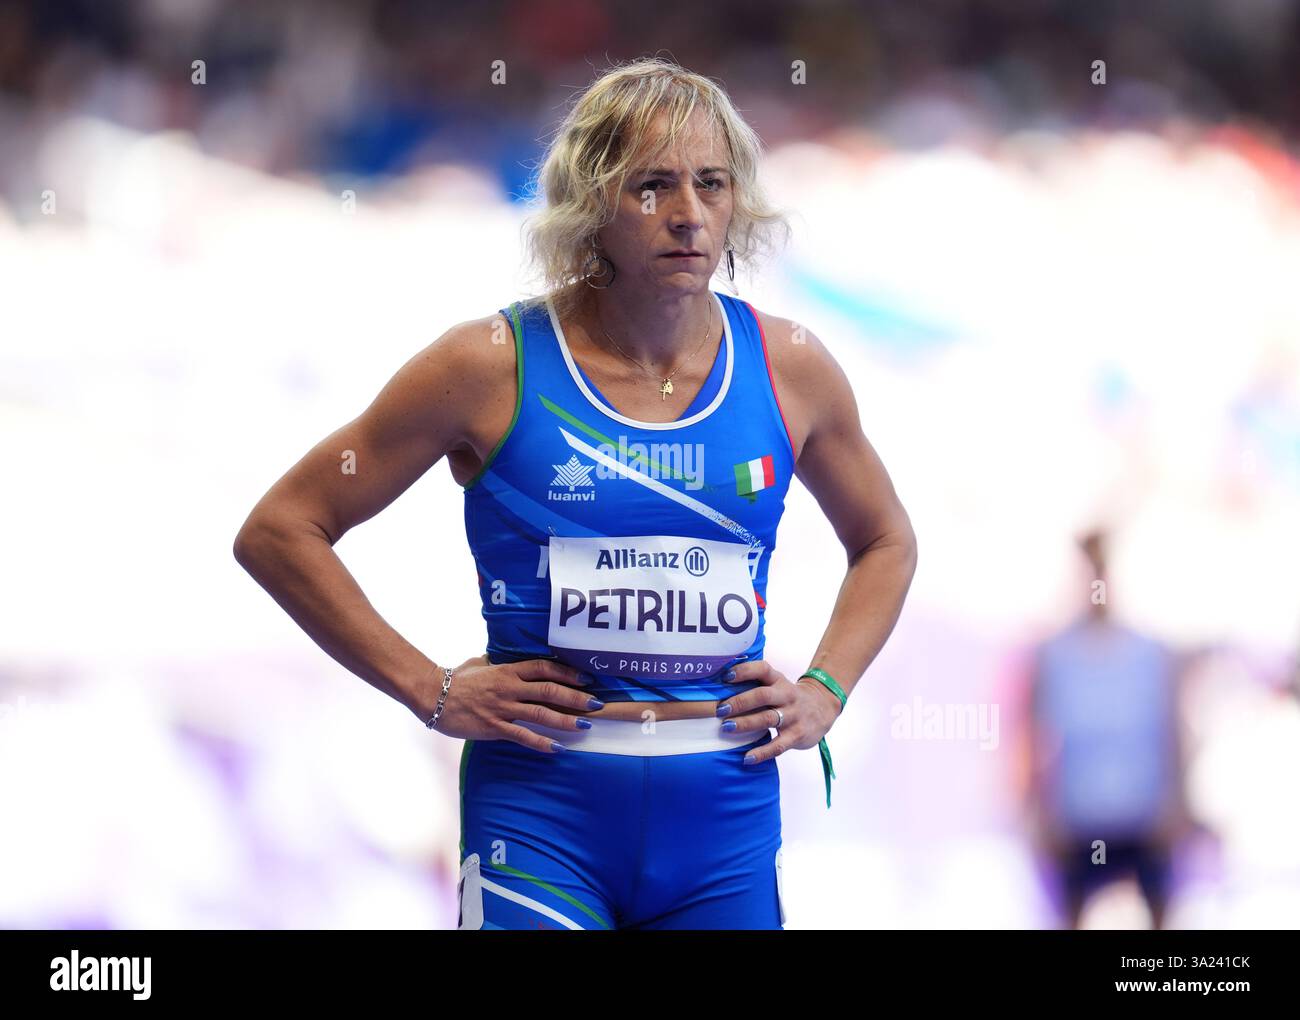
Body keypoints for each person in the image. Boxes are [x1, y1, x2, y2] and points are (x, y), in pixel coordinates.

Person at [233, 57, 917, 930]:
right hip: (541, 808)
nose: (689, 215)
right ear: (591, 203)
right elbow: (282, 528)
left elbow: (887, 540)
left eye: (712, 185)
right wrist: (428, 688)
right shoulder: (485, 366)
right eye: (653, 187)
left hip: (722, 809)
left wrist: (826, 686)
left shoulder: (793, 366)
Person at [1028, 529, 1189, 929]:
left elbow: (1172, 732)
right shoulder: (1054, 656)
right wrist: (1039, 814)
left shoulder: (1151, 654)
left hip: (1142, 817)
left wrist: (1177, 803)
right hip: (1079, 820)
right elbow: (1034, 741)